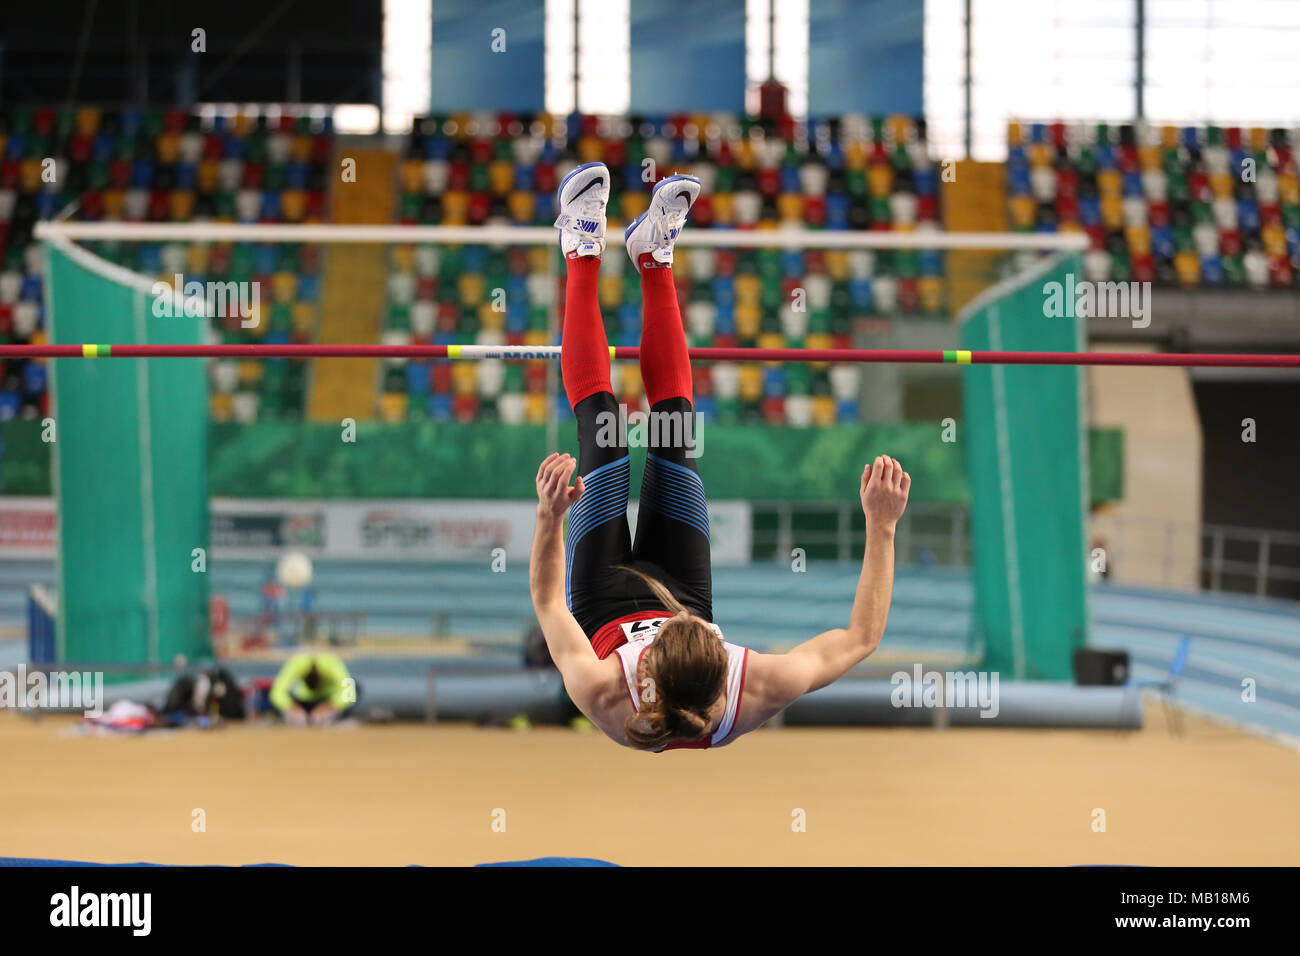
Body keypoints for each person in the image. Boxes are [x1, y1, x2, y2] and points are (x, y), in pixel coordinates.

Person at [529, 162, 912, 752]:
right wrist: (882, 528)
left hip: (600, 602)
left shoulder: (603, 688)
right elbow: (860, 637)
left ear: (647, 668)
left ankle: (580, 248)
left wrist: (549, 518)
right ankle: (653, 259)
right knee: (675, 426)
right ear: (722, 659)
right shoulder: (755, 685)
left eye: (668, 631)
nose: (666, 618)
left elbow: (549, 601)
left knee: (603, 433)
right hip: (686, 582)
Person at [269, 651, 358, 726]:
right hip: (304, 702)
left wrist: (330, 706)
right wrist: (291, 706)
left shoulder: (331, 662)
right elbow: (277, 691)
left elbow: (349, 689)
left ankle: (336, 718)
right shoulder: (297, 662)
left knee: (356, 688)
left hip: (327, 700)